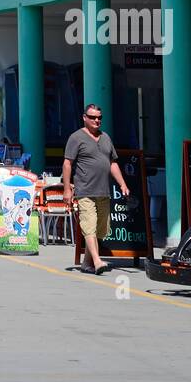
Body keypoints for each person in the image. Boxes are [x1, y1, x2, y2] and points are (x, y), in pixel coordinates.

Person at [62, 103, 130, 275]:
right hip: (85, 191)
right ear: (84, 118)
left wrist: (122, 183)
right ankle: (97, 261)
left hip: (103, 191)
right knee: (89, 227)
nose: (96, 120)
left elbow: (112, 162)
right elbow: (67, 163)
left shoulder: (106, 137)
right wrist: (67, 189)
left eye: (99, 117)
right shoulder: (76, 138)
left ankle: (87, 263)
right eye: (92, 117)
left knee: (102, 229)